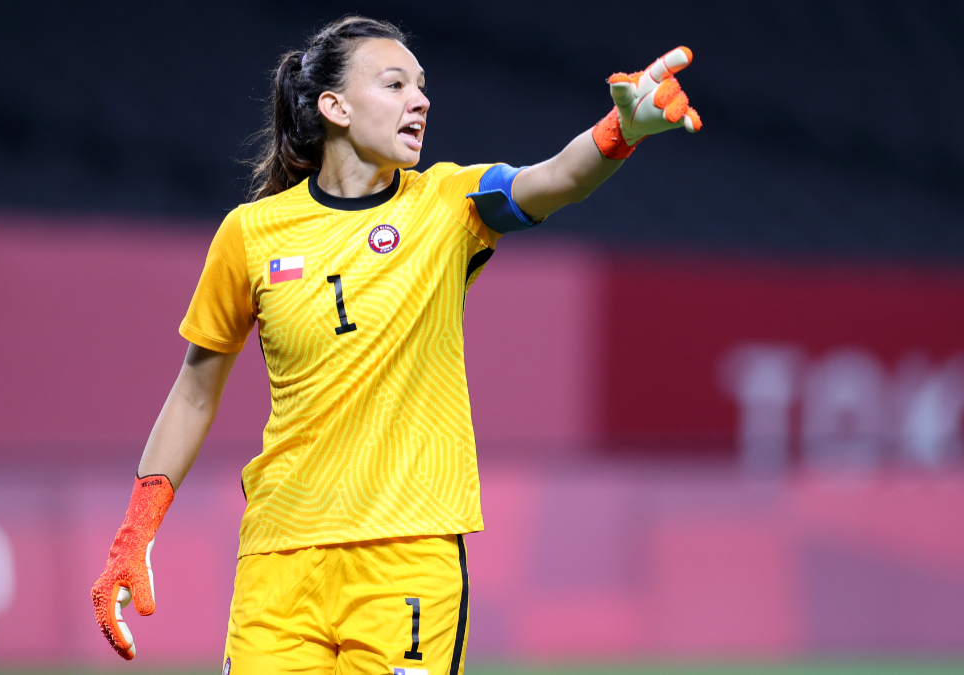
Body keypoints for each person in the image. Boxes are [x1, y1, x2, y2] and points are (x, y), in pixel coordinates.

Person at [91, 15, 700, 675]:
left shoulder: (447, 202)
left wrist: (620, 132)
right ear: (335, 107)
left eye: (422, 86)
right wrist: (135, 531)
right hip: (280, 558)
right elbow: (193, 392)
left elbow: (551, 179)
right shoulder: (251, 233)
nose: (421, 99)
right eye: (395, 83)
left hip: (408, 556)